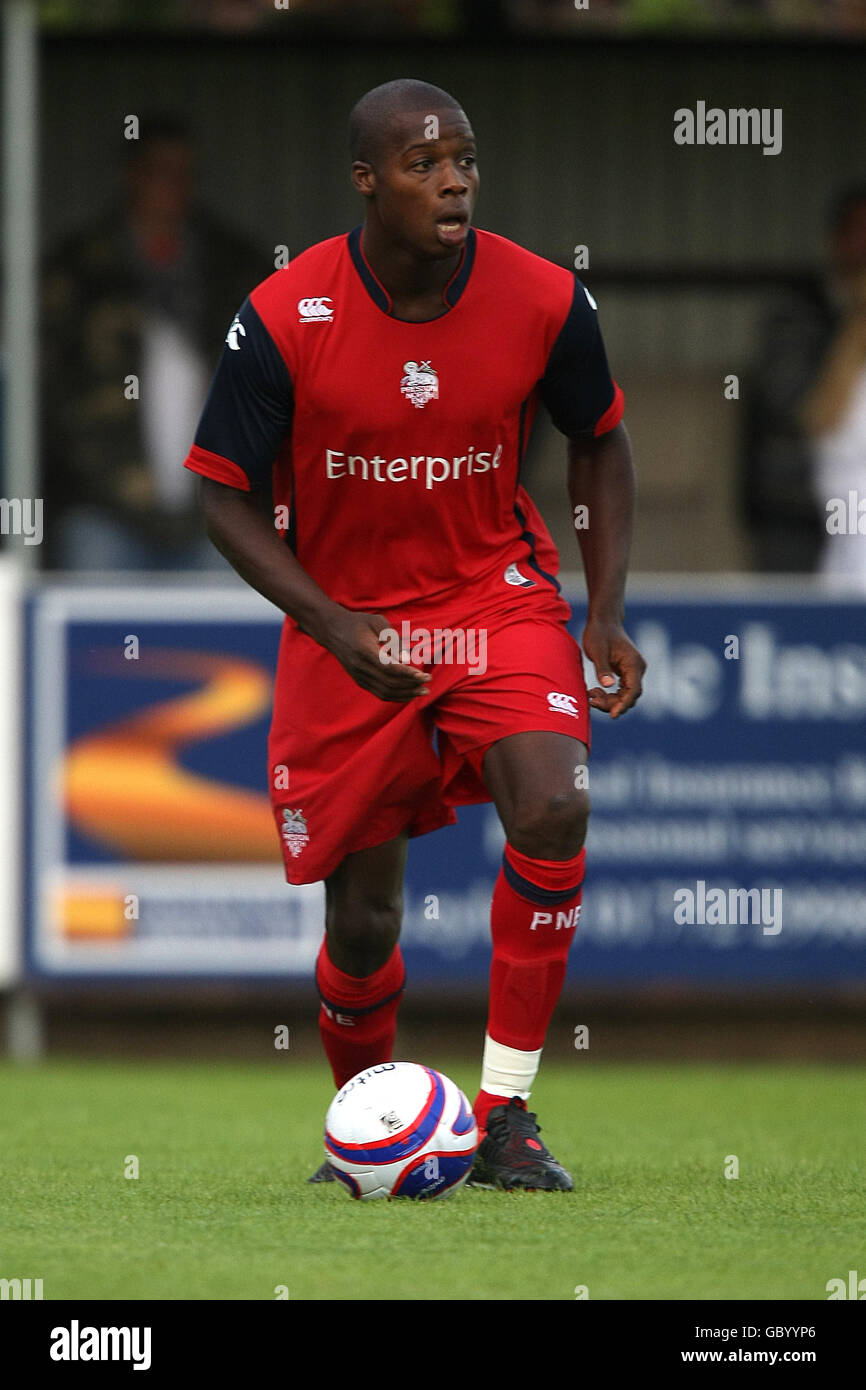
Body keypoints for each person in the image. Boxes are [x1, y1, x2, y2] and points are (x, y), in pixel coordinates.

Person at [183, 79, 645, 1191]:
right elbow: (221, 498)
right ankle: (367, 1121)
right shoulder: (285, 315)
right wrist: (333, 622)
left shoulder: (543, 298)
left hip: (494, 598)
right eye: (424, 164)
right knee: (364, 916)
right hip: (352, 623)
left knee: (555, 799)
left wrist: (606, 609)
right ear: (365, 180)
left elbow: (599, 441)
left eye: (465, 161)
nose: (453, 182)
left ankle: (504, 1114)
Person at [41, 116, 265, 571]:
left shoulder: (231, 264)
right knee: (95, 625)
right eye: (160, 172)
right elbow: (48, 396)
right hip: (102, 510)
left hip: (213, 512)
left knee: (224, 629)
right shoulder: (79, 269)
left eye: (184, 173)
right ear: (132, 175)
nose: (174, 187)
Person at [744, 184, 866, 575]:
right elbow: (804, 413)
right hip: (796, 506)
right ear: (836, 241)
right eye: (858, 232)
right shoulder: (796, 313)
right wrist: (857, 323)